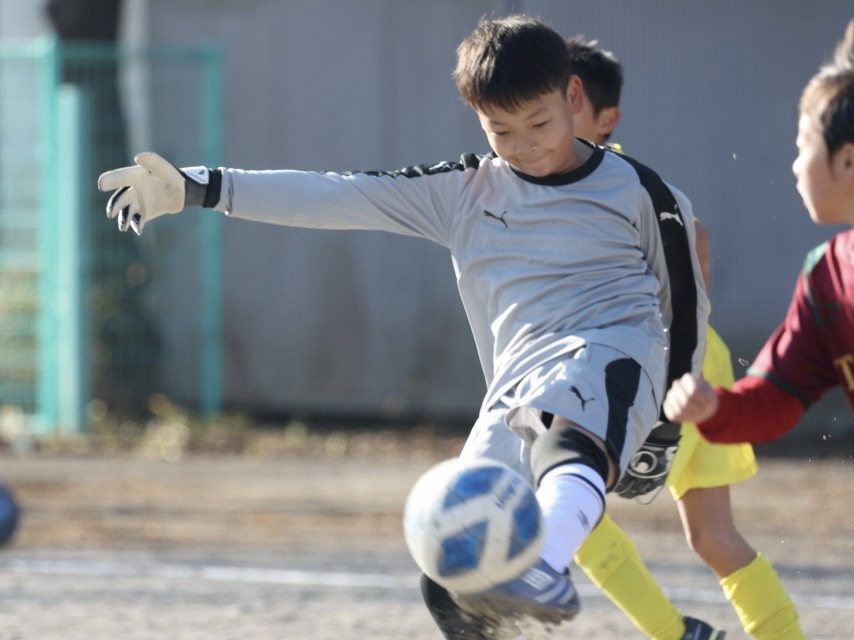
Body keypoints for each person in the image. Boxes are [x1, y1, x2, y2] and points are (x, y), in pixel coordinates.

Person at [97, 15, 708, 637]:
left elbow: (684, 305)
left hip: (611, 354)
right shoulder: (464, 191)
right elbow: (337, 195)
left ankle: (547, 565)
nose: (523, 145)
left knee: (562, 432)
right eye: (501, 129)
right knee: (450, 578)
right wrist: (199, 187)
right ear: (477, 119)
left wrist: (667, 422)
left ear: (573, 98)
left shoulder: (642, 192)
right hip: (514, 394)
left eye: (540, 124)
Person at [567, 36, 806, 640]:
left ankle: (689, 635)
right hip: (672, 364)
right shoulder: (566, 181)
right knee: (702, 536)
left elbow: (694, 237)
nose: (549, 117)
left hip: (671, 365)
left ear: (605, 120)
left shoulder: (611, 177)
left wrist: (678, 335)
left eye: (569, 102)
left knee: (586, 515)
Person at [664, 22, 854, 458]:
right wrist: (714, 407)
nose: (795, 166)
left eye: (802, 146)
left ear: (846, 160)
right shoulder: (826, 277)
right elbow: (777, 395)